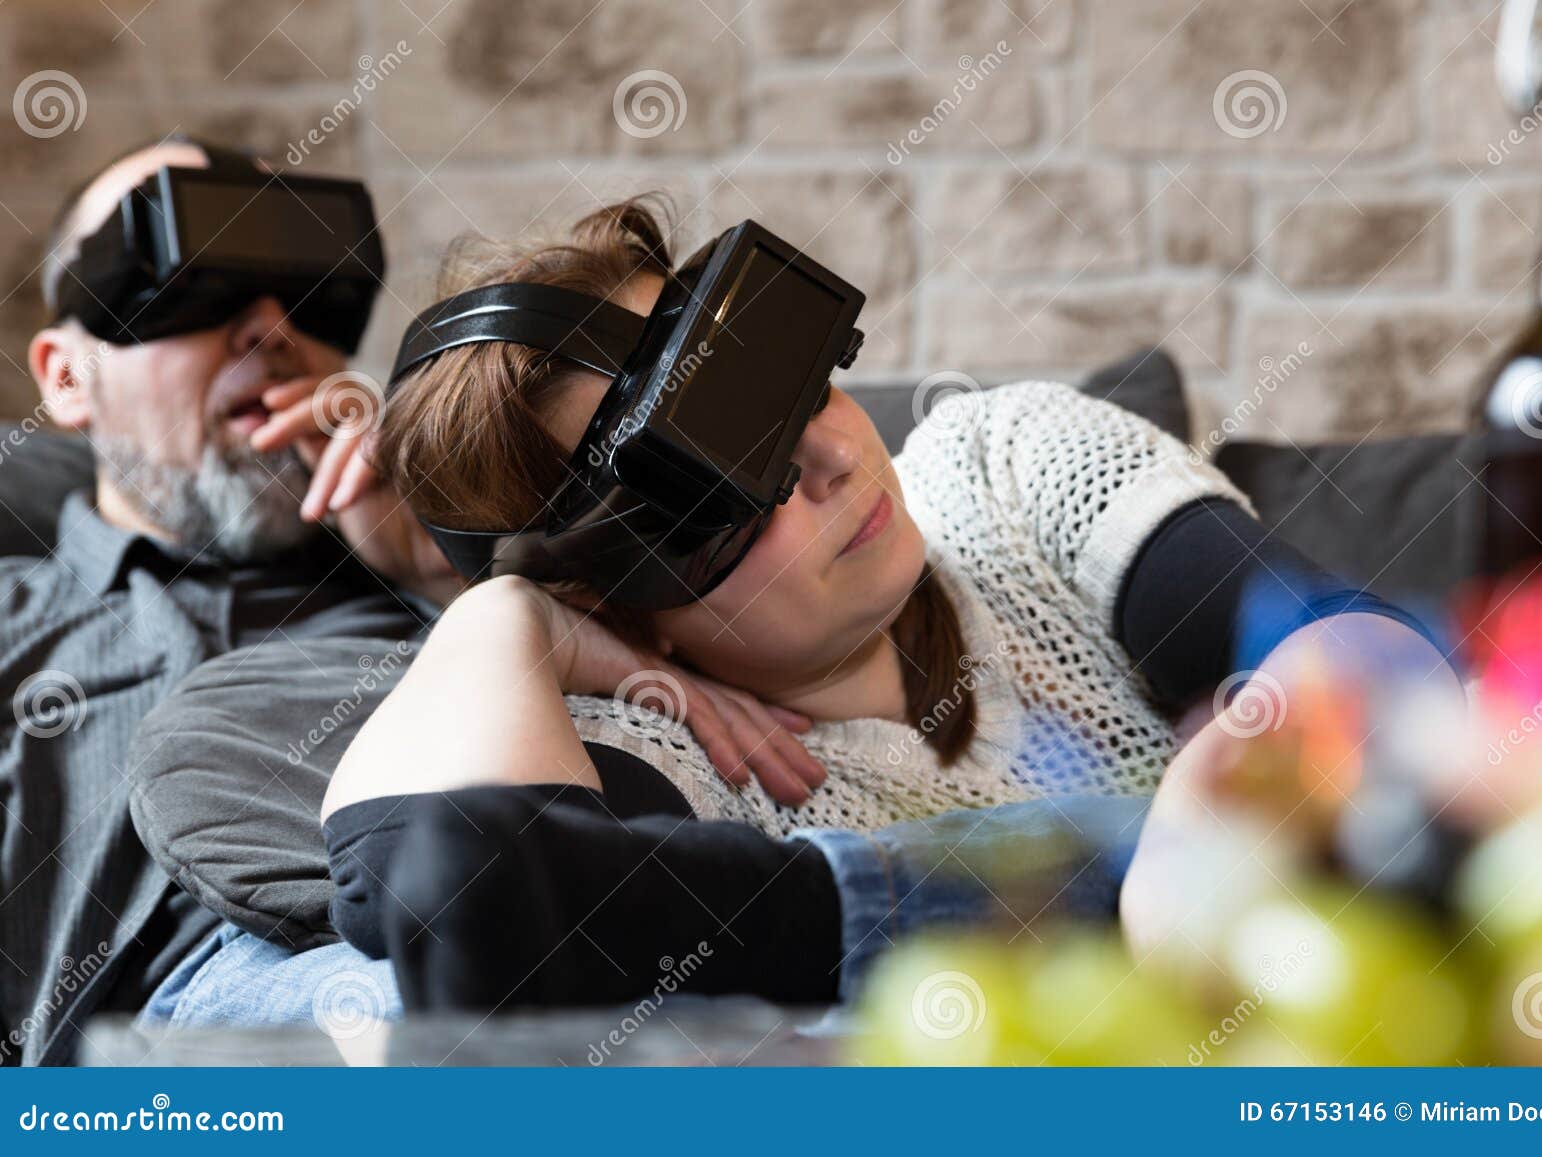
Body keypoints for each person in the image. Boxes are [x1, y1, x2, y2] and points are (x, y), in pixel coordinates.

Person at [300, 197, 1462, 1012]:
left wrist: (1192, 838)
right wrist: (500, 621)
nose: (829, 457)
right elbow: (458, 895)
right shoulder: (660, 751)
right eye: (721, 487)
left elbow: (1360, 651)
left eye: (786, 387)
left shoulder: (999, 464)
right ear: (613, 598)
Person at [0, 136, 454, 1066]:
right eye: (189, 287)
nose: (270, 328)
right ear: (66, 377)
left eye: (307, 292)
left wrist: (450, 569)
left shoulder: (461, 586)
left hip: (485, 936)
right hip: (182, 1055)